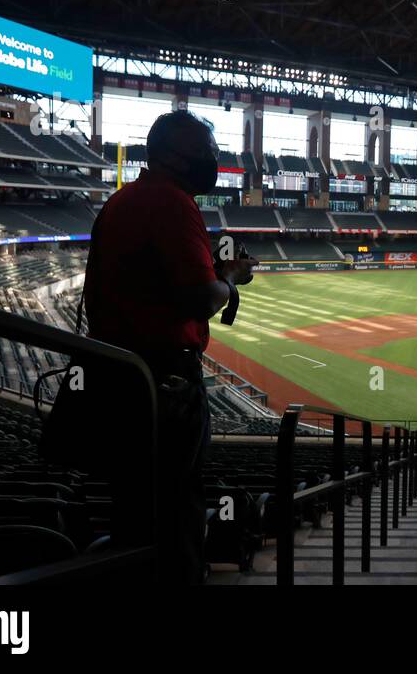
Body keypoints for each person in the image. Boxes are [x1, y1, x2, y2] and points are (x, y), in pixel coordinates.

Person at [83, 110, 256, 584]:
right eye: (208, 152)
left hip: (120, 376)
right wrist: (230, 277)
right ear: (175, 155)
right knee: (178, 506)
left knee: (138, 507)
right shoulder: (171, 203)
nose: (214, 160)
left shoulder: (125, 200)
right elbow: (200, 298)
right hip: (164, 382)